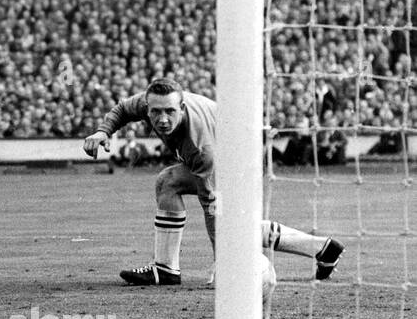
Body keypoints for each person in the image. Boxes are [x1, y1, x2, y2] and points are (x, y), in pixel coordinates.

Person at [82, 78, 344, 285]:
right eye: (156, 112)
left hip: (240, 162)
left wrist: (224, 267)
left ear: (181, 108)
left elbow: (212, 209)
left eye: (170, 112)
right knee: (168, 183)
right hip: (228, 152)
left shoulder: (200, 145)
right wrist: (102, 131)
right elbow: (121, 110)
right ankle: (322, 248)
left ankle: (315, 248)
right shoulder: (147, 102)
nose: (162, 119)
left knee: (226, 221)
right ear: (147, 108)